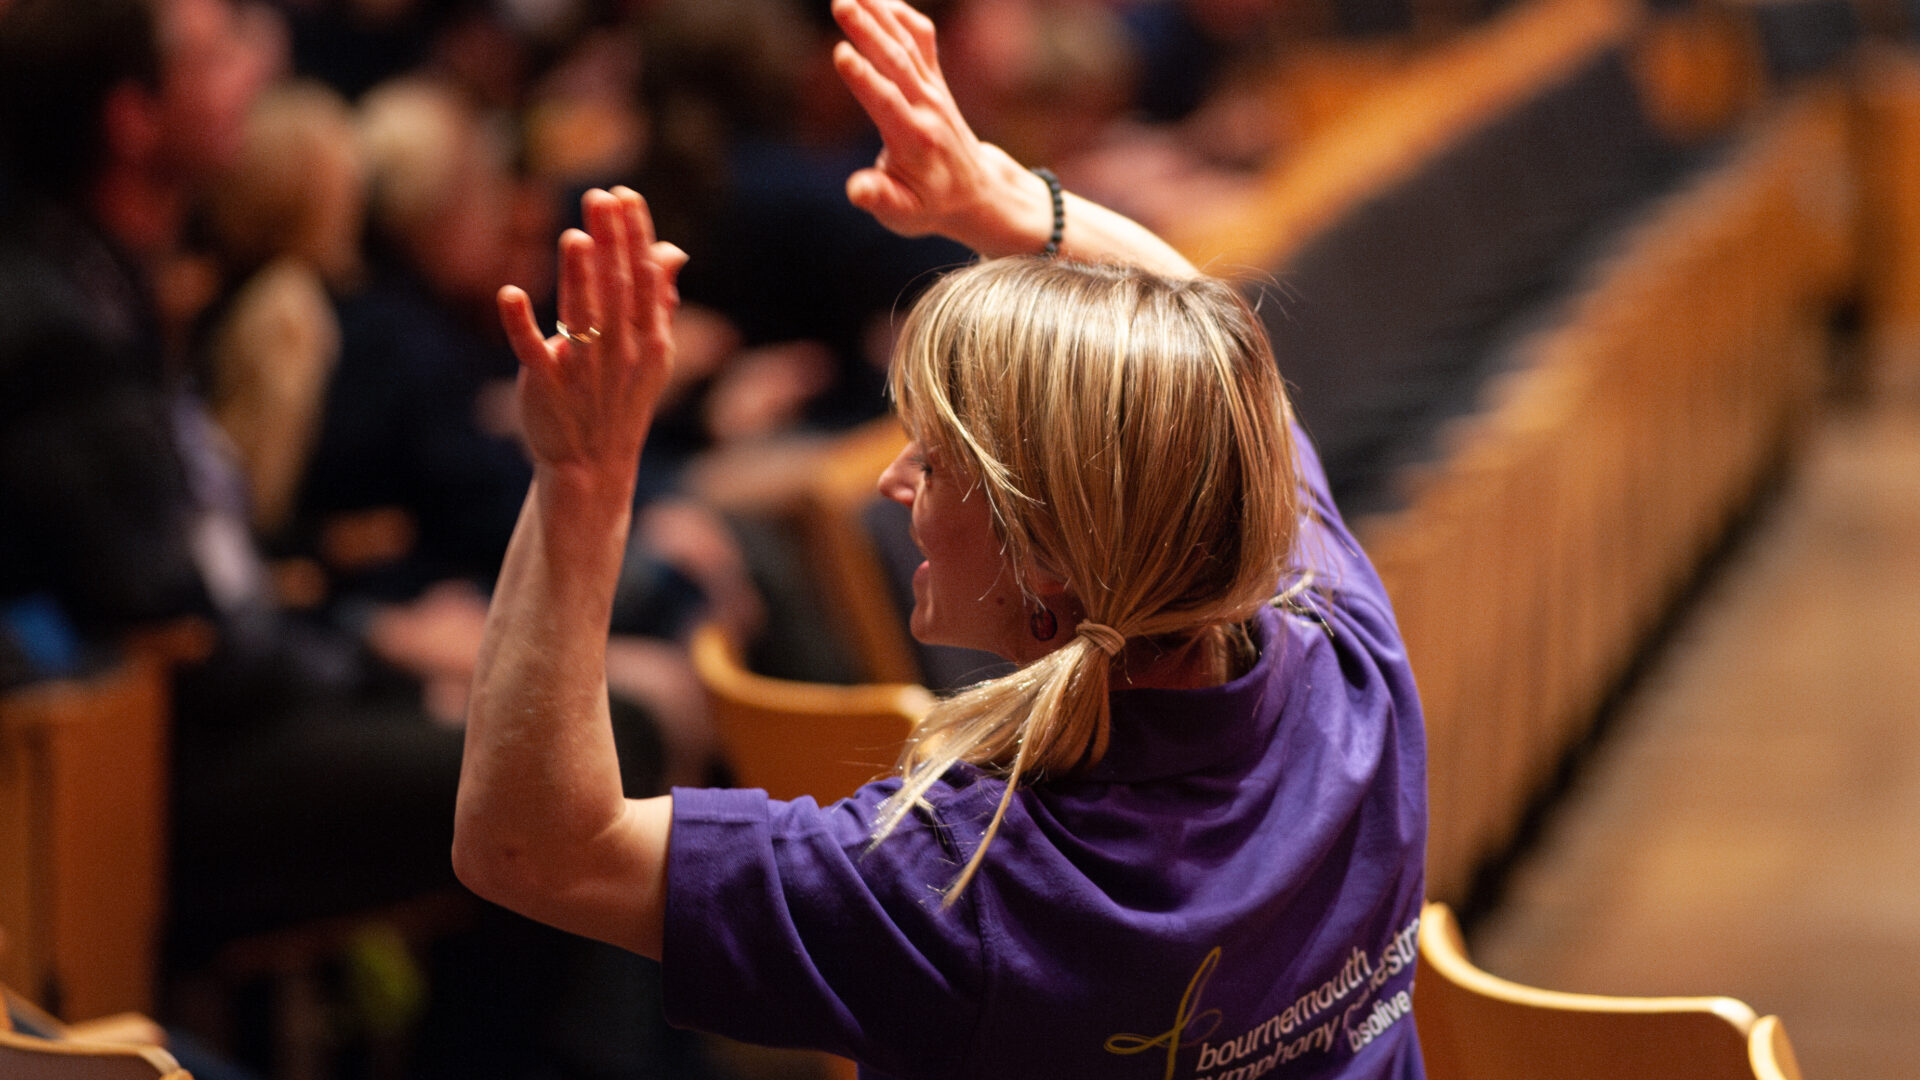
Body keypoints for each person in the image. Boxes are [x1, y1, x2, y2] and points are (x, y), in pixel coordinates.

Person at [453, 1, 1427, 1078]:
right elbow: (1205, 343)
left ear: (1044, 556)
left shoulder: (955, 887)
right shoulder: (1342, 649)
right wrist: (1008, 201)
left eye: (936, 460)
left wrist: (582, 481)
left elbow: (531, 845)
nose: (891, 478)